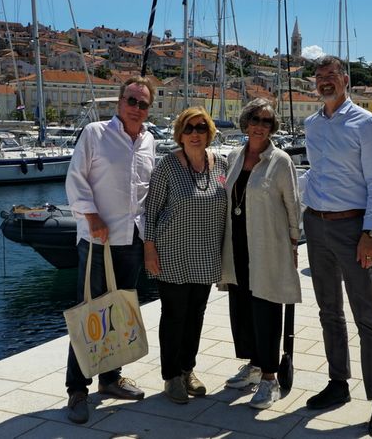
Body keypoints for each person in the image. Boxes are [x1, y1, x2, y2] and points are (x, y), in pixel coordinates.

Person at [301, 55, 372, 437]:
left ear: (345, 79)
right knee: (328, 312)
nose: (325, 81)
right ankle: (338, 383)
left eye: (331, 75)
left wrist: (369, 232)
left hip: (353, 227)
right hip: (316, 225)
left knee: (365, 317)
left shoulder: (367, 123)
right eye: (320, 76)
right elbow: (314, 175)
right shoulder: (311, 124)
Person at [62, 76, 156, 424]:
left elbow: (146, 194)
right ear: (119, 102)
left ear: (148, 110)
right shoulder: (95, 134)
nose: (136, 108)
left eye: (142, 103)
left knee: (120, 310)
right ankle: (77, 389)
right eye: (131, 100)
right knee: (90, 312)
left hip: (131, 238)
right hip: (98, 238)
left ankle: (110, 379)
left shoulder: (148, 141)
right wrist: (91, 215)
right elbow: (76, 178)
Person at [143, 107, 230, 404]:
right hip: (172, 254)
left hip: (206, 255)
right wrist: (149, 248)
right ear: (180, 134)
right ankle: (171, 377)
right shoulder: (168, 165)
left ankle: (187, 369)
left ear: (209, 133)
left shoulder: (221, 164)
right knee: (174, 317)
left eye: (201, 128)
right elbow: (151, 210)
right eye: (189, 129)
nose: (195, 134)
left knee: (195, 316)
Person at [219, 98, 302, 410]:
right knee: (242, 309)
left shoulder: (280, 160)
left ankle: (270, 377)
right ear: (245, 121)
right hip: (237, 246)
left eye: (267, 121)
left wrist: (294, 244)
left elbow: (293, 206)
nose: (260, 125)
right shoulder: (234, 157)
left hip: (267, 246)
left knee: (266, 309)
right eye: (255, 118)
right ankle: (254, 366)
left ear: (273, 127)